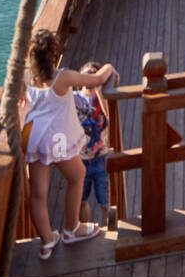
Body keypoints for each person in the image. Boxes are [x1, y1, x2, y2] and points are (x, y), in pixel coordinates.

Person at [21, 29, 117, 261]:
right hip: (58, 140)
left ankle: (46, 242)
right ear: (55, 52)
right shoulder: (62, 78)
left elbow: (18, 97)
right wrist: (109, 67)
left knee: (38, 195)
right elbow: (96, 80)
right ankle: (71, 228)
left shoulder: (24, 76)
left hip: (35, 139)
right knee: (77, 176)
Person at [74, 61, 111, 227]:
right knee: (81, 200)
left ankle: (112, 230)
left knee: (106, 203)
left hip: (101, 159)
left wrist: (98, 88)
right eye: (85, 75)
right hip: (80, 160)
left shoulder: (102, 99)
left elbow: (108, 115)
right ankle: (86, 230)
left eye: (93, 75)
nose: (89, 79)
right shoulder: (73, 98)